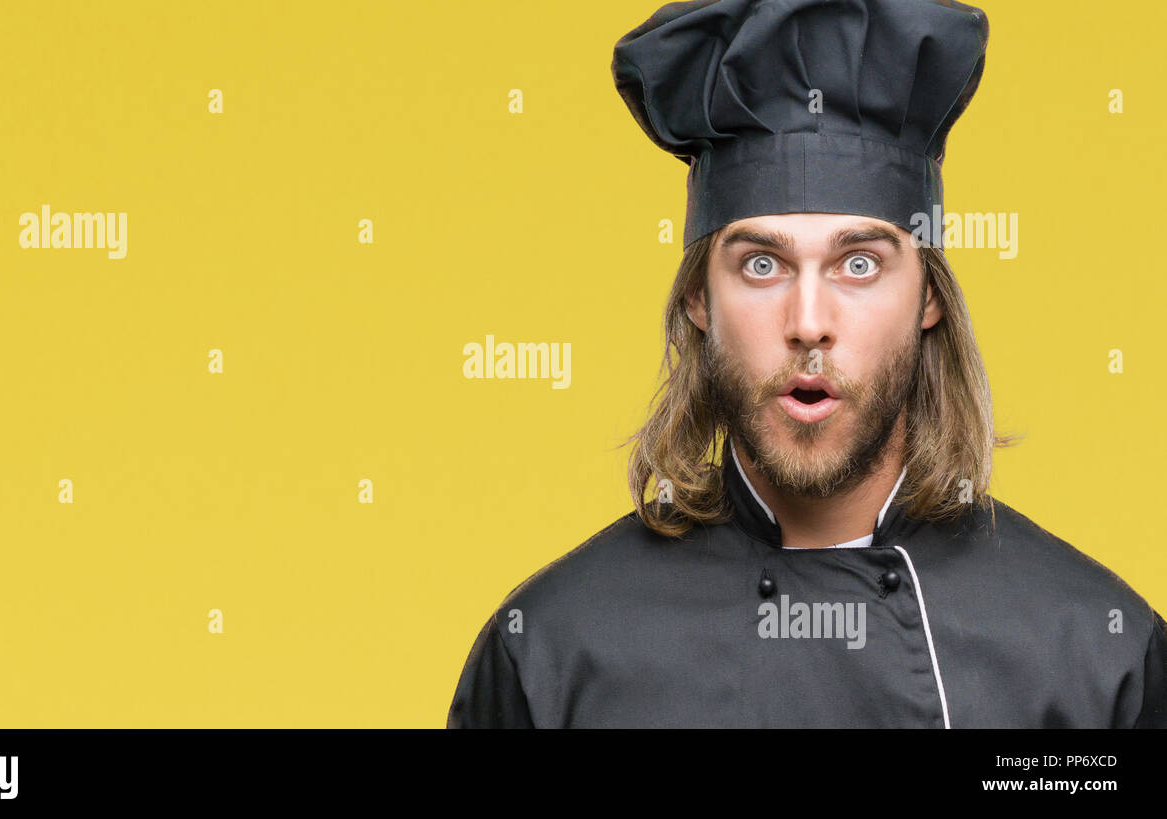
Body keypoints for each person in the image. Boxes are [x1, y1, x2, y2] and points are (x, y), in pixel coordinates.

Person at [446, 0, 1167, 728]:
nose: (809, 323)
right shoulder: (552, 656)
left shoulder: (1096, 660)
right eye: (762, 264)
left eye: (859, 264)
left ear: (928, 298)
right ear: (700, 297)